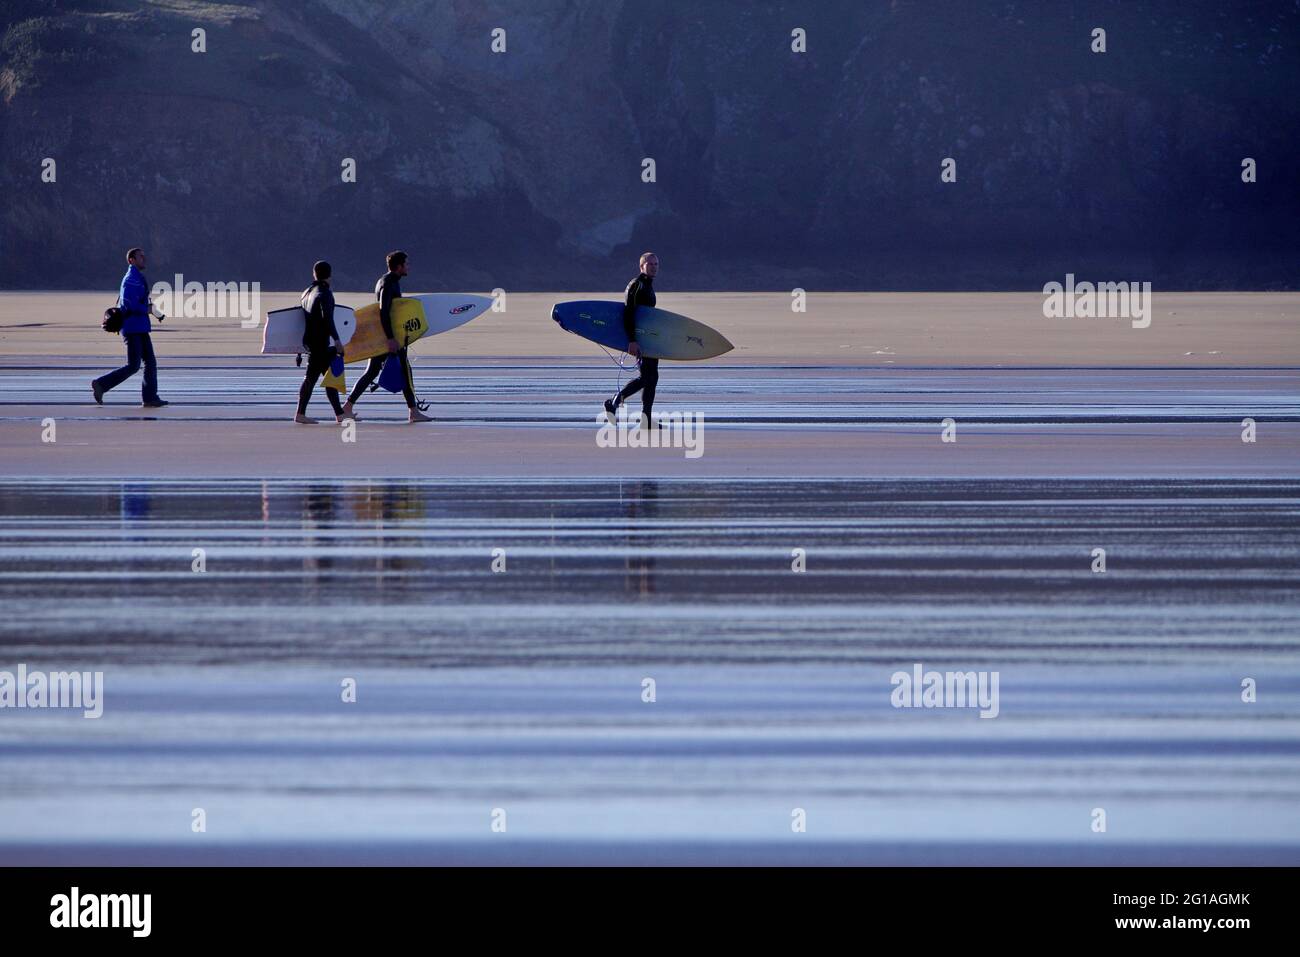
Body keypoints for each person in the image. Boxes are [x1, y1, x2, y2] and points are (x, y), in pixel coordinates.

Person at [342, 250, 432, 424]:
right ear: (398, 266)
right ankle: (413, 412)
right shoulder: (388, 283)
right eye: (406, 264)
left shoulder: (390, 281)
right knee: (404, 370)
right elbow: (384, 311)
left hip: (384, 334)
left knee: (373, 371)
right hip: (388, 336)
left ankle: (347, 407)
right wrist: (390, 338)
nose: (408, 267)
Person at [91, 248, 166, 408]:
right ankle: (101, 384)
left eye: (144, 256)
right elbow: (128, 304)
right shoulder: (131, 279)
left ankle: (150, 397)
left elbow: (138, 302)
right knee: (133, 366)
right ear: (131, 260)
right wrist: (147, 309)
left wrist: (152, 311)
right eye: (140, 256)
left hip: (140, 327)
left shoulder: (136, 277)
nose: (144, 258)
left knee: (150, 362)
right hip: (132, 328)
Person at [604, 252, 660, 426]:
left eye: (656, 264)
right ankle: (615, 400)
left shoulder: (647, 285)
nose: (653, 267)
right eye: (650, 264)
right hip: (639, 338)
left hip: (649, 337)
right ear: (641, 266)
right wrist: (632, 340)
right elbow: (628, 313)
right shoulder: (637, 285)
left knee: (652, 377)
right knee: (647, 378)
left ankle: (646, 419)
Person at [294, 260, 348, 425]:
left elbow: (301, 320)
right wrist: (337, 340)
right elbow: (328, 319)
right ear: (330, 275)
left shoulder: (306, 293)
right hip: (321, 343)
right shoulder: (325, 294)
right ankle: (302, 414)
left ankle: (338, 413)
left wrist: (299, 348)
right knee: (319, 378)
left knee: (323, 377)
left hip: (310, 342)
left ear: (314, 274)